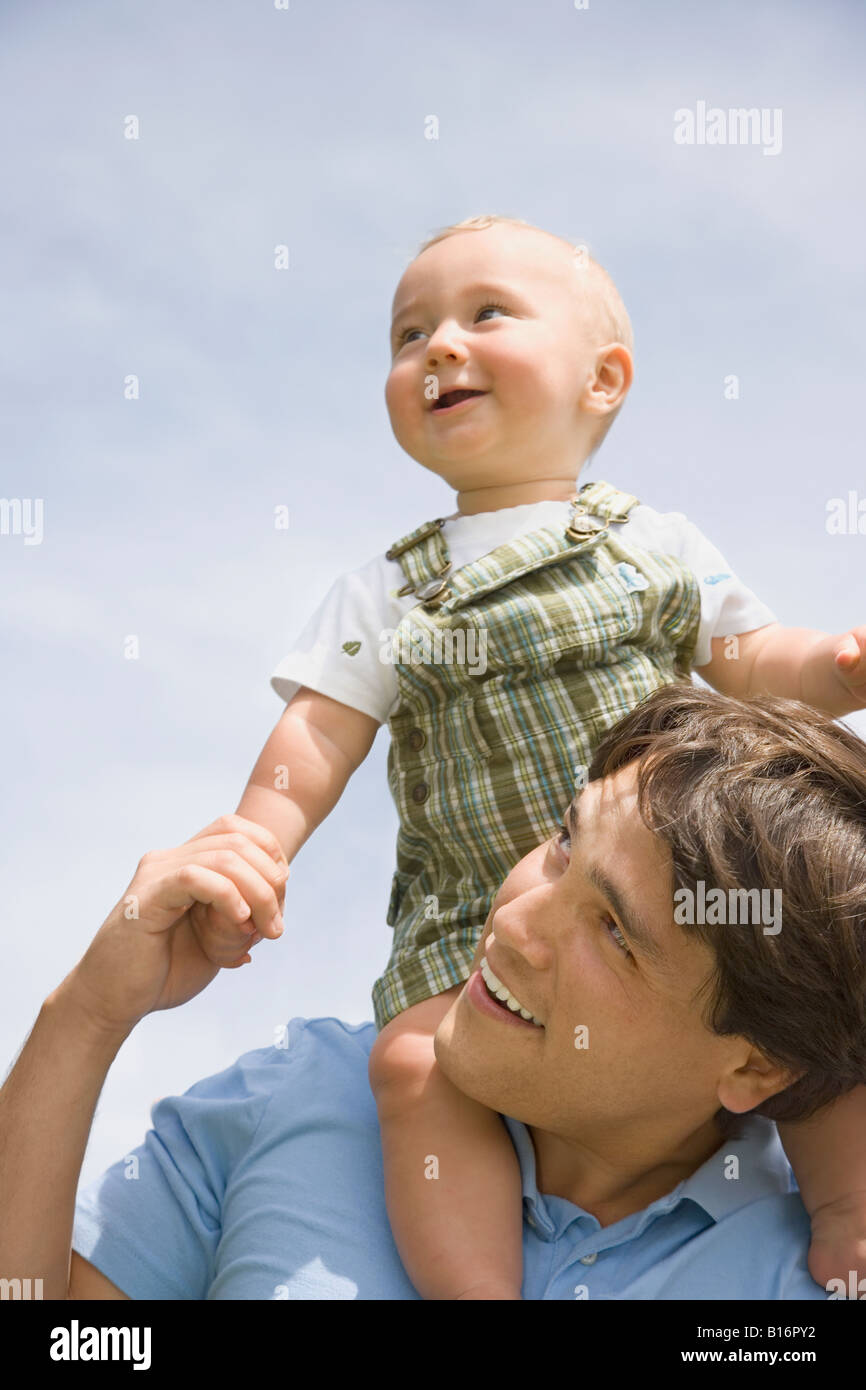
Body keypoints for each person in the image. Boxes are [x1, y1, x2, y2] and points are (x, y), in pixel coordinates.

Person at [192, 215, 866, 1299]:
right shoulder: (387, 588)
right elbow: (318, 730)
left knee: (808, 1031)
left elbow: (748, 659)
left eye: (483, 313)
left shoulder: (651, 543)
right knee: (413, 1068)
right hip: (468, 914)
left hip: (664, 892)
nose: (436, 348)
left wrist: (832, 668)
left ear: (603, 378)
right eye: (407, 334)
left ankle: (844, 1214)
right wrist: (256, 839)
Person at [2, 685, 864, 1300]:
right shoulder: (303, 1089)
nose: (516, 922)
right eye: (564, 842)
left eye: (614, 932)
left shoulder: (809, 1278)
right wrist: (85, 1016)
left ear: (755, 1067)